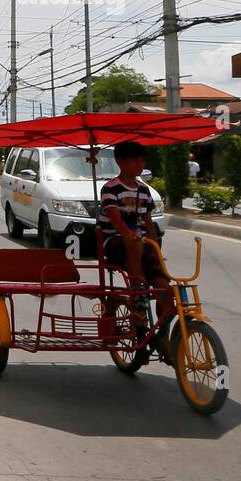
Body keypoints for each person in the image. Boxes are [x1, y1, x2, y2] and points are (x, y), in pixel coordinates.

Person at [100, 141, 175, 358]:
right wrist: (127, 234)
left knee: (165, 291)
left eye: (142, 161)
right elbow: (115, 218)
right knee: (133, 242)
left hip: (140, 245)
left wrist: (156, 250)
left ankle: (162, 335)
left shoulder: (144, 190)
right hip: (115, 243)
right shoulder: (111, 188)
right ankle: (137, 287)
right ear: (121, 162)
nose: (140, 165)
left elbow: (148, 222)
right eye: (135, 161)